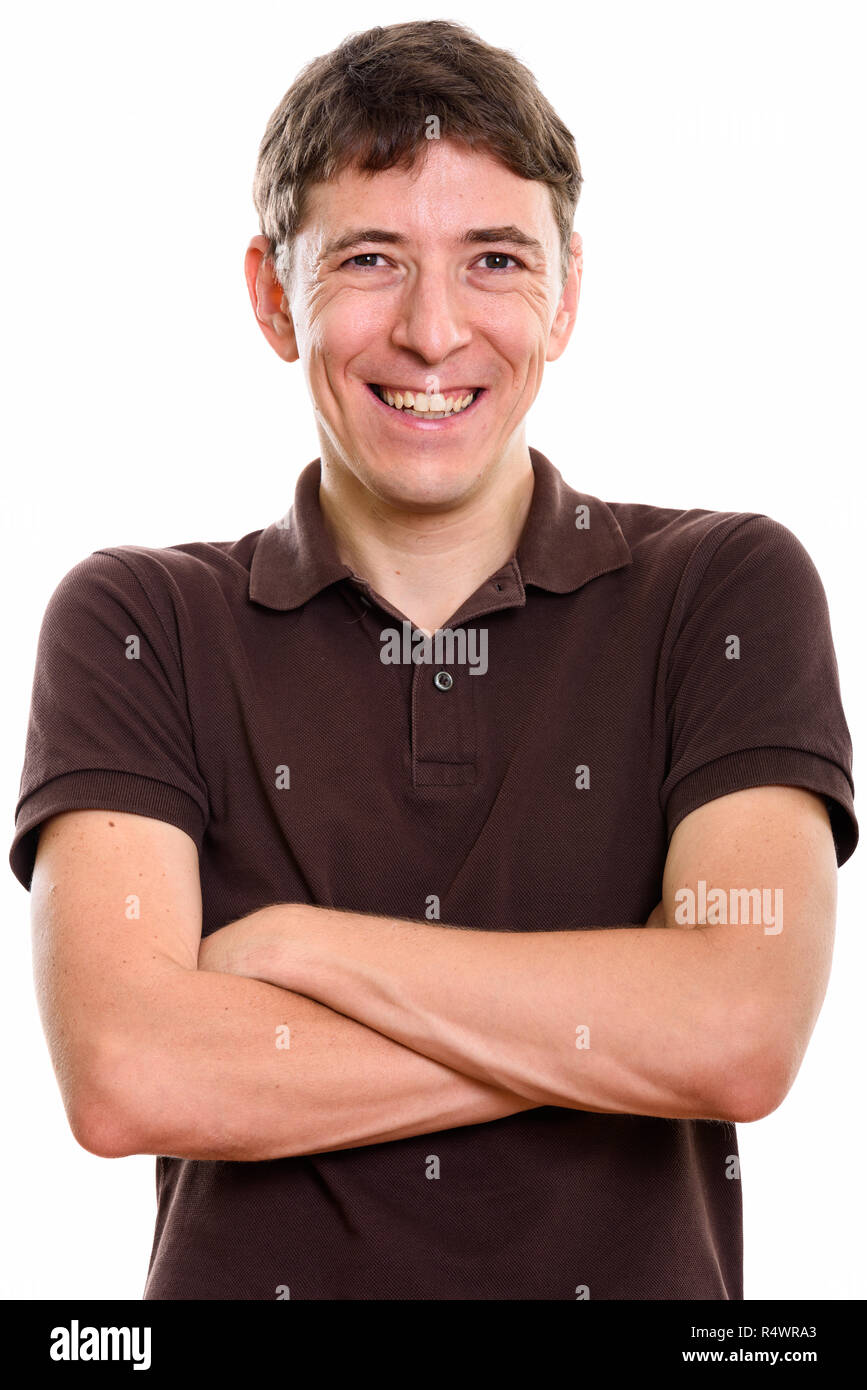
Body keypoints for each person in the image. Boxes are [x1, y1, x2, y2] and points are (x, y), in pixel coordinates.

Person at [9, 19, 857, 1301]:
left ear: (566, 295)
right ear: (268, 294)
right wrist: (621, 1028)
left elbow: (739, 1036)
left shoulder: (725, 591)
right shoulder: (138, 621)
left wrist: (295, 946)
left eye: (496, 260)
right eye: (368, 258)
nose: (432, 330)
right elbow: (132, 1072)